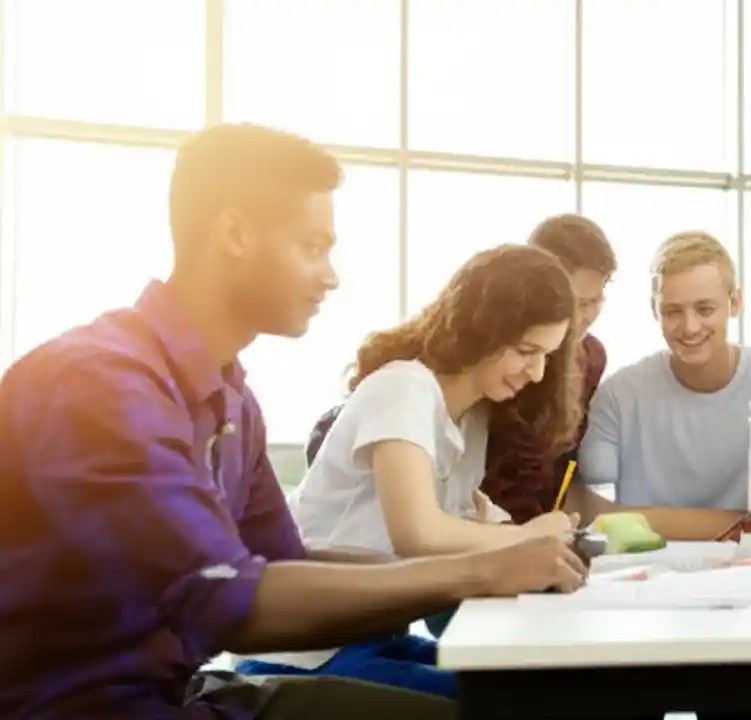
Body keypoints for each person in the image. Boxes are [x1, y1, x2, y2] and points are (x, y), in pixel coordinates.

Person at [0, 123, 584, 719]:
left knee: (504, 705)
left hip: (178, 696)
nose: (330, 275)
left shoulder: (231, 400)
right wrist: (480, 568)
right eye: (313, 247)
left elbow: (285, 563)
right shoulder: (100, 385)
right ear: (234, 234)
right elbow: (230, 603)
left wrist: (489, 566)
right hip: (73, 709)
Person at [238, 244, 584, 691]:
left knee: (525, 685)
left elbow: (458, 522)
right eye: (525, 351)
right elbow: (418, 533)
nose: (537, 373)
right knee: (500, 701)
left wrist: (528, 537)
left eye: (546, 356)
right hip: (304, 653)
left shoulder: (473, 418)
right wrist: (526, 538)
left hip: (371, 635)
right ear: (482, 328)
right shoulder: (404, 389)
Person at [571, 231, 751, 529]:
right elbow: (594, 513)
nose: (690, 327)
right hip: (643, 568)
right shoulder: (618, 394)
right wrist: (740, 525)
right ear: (654, 310)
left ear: (735, 303)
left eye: (705, 309)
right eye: (673, 311)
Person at [480, 213, 615, 523]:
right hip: (488, 520)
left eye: (595, 302)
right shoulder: (500, 358)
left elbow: (566, 465)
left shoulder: (592, 356)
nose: (585, 317)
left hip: (548, 522)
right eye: (576, 303)